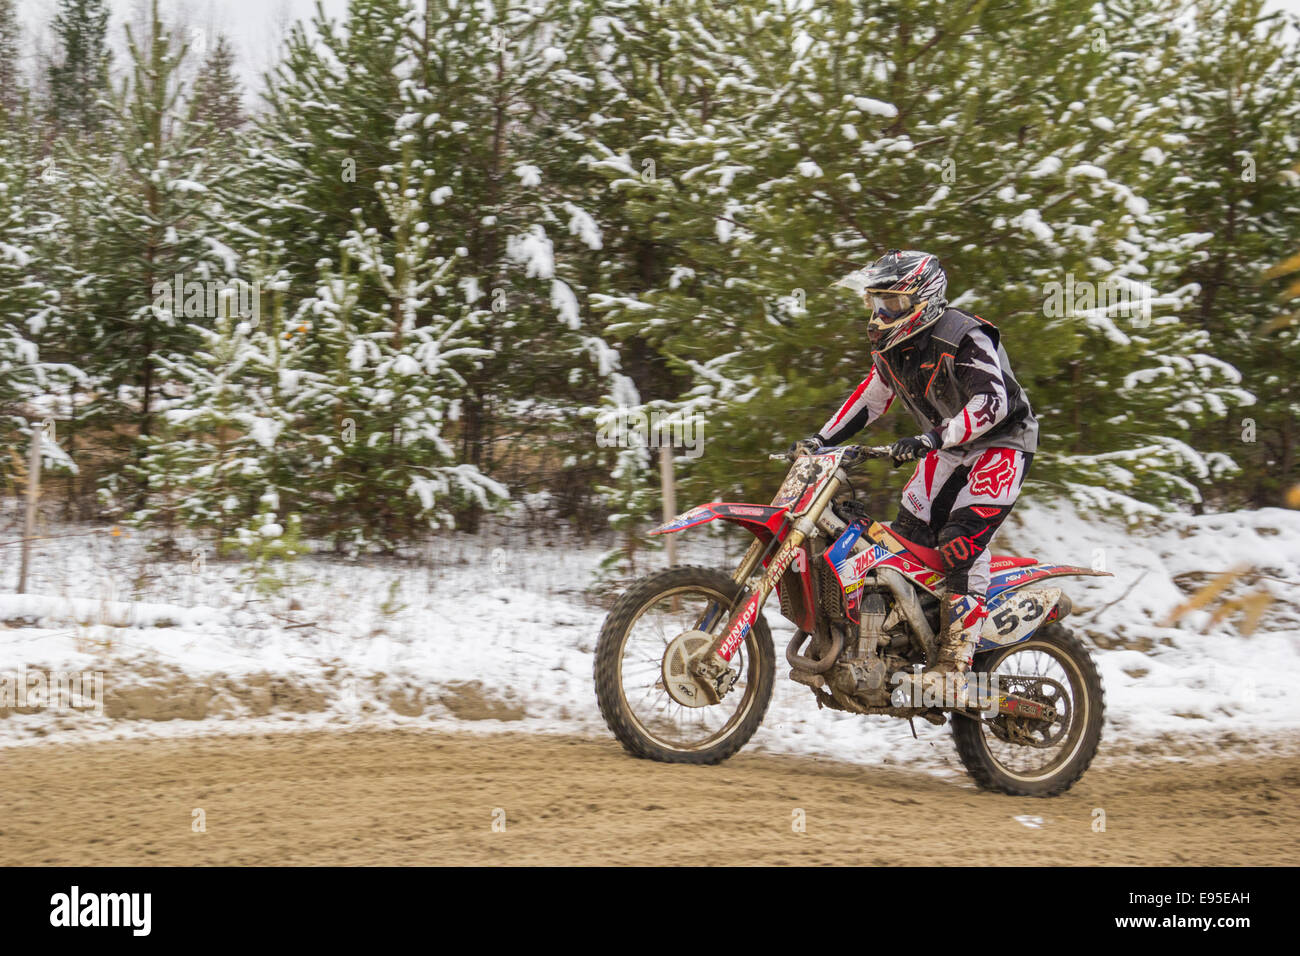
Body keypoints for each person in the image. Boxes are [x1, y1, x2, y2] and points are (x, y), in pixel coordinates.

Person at [791, 250, 1038, 706]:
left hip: (1001, 445)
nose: (881, 314)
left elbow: (994, 403)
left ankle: (955, 664)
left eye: (891, 303)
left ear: (922, 298)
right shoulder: (893, 347)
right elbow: (871, 397)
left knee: (961, 540)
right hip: (948, 447)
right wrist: (819, 441)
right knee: (903, 544)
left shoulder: (964, 335)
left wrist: (931, 439)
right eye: (876, 302)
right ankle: (903, 645)